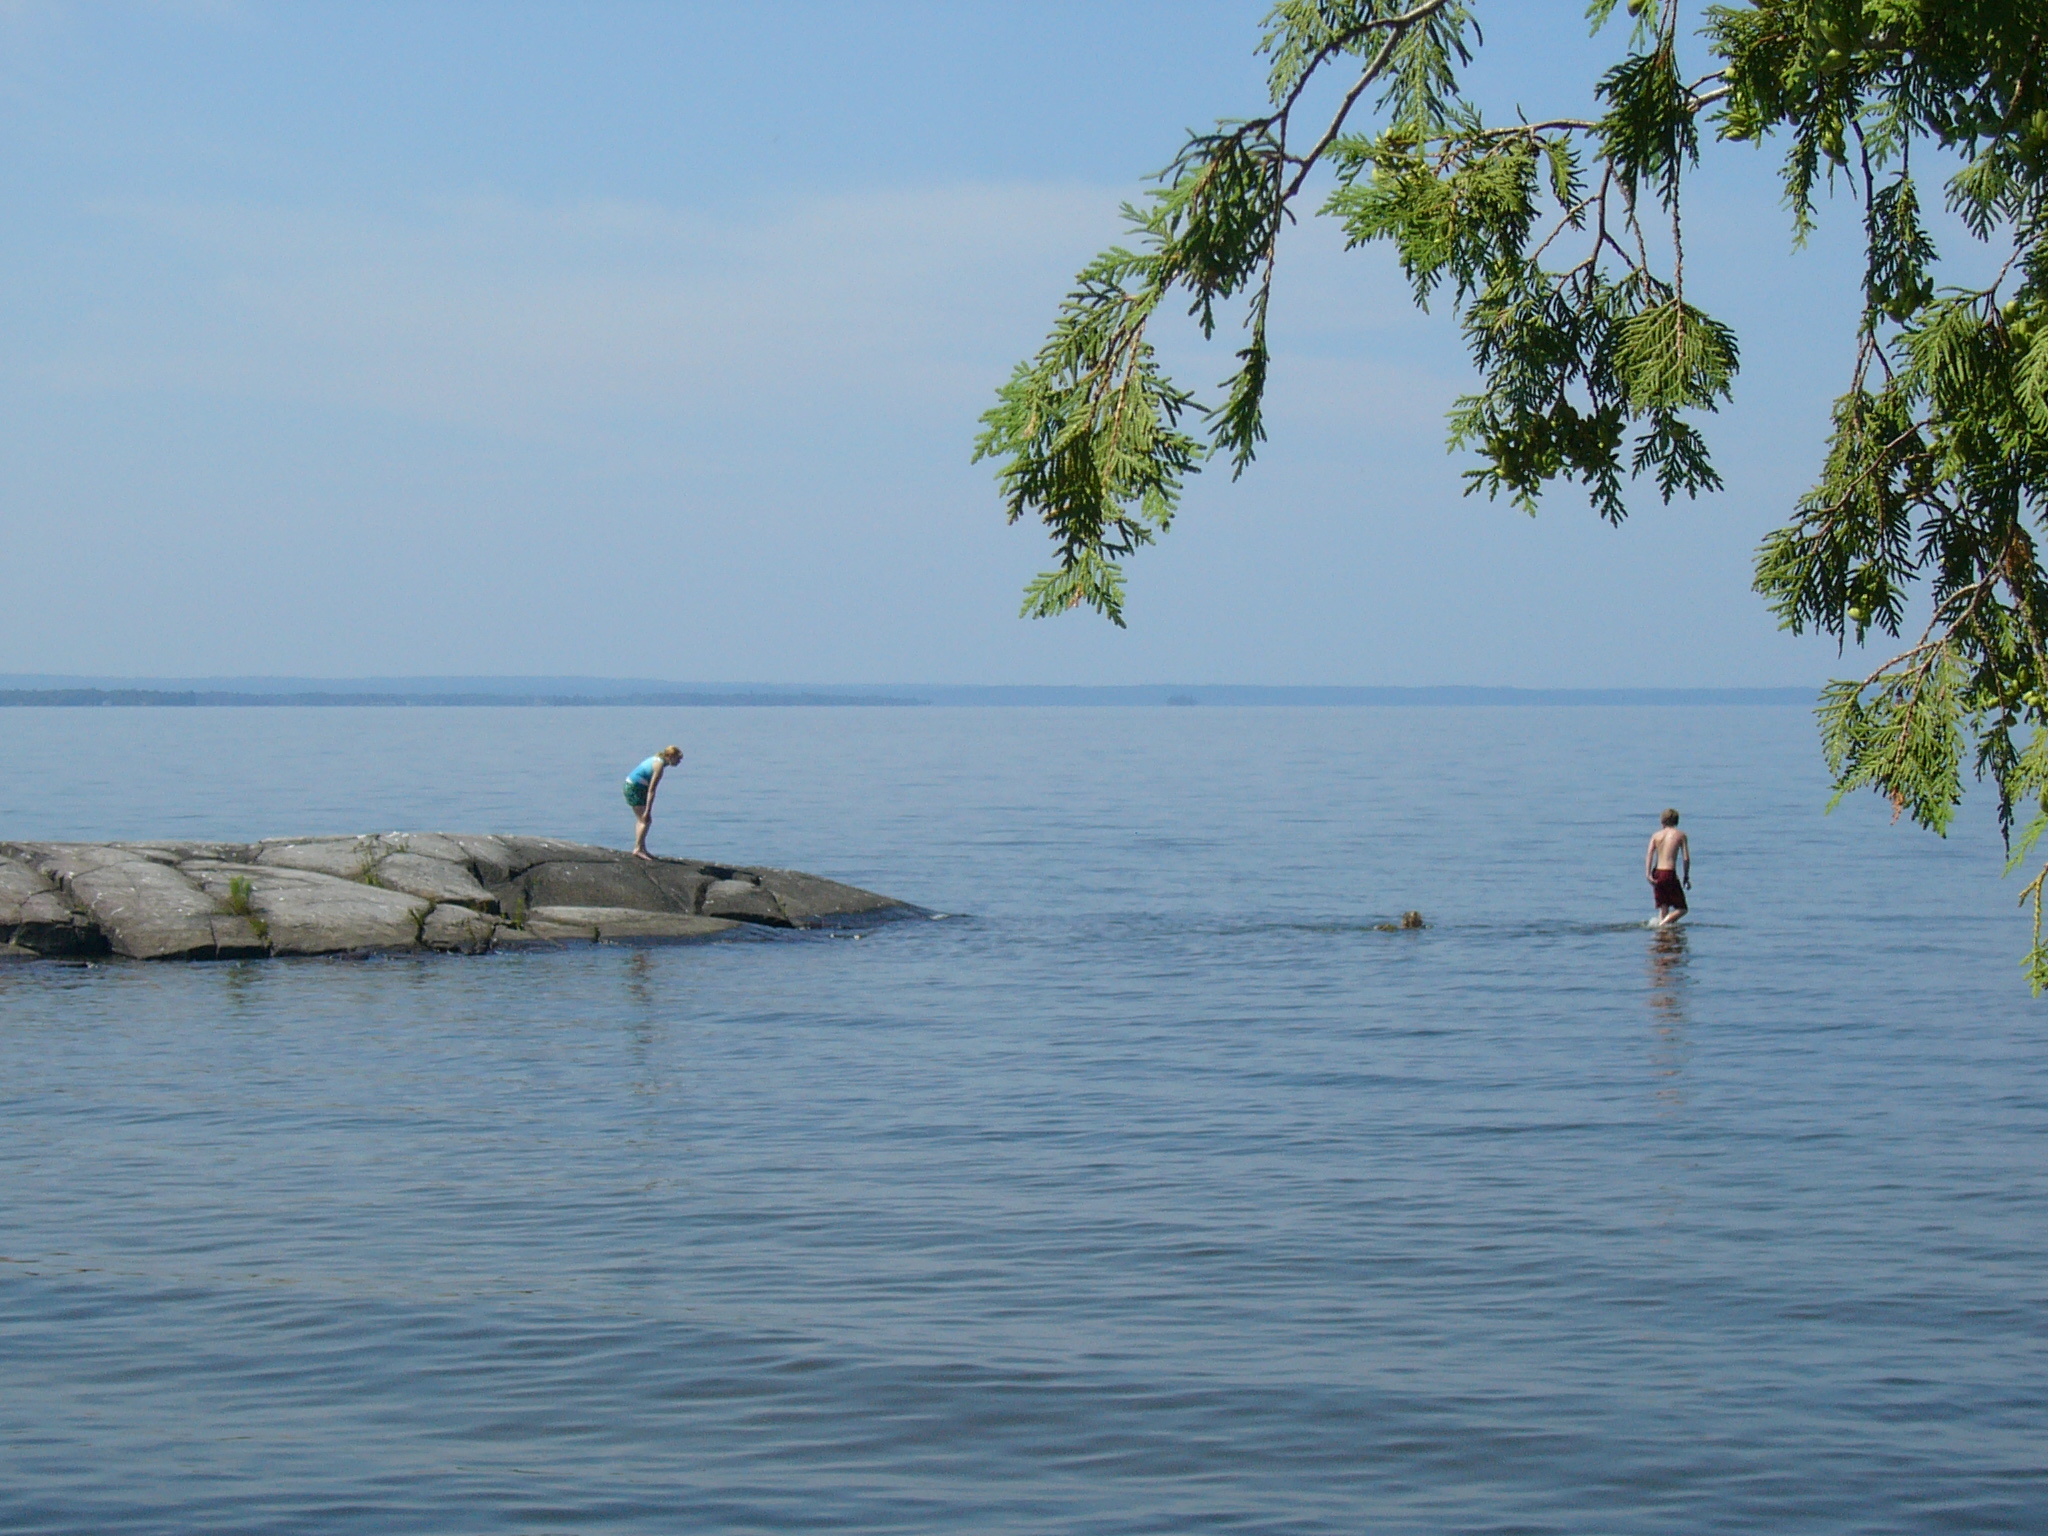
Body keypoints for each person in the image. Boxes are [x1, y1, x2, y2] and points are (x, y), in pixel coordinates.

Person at [624, 745, 684, 860]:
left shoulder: (658, 759)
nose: (679, 762)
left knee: (642, 820)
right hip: (634, 788)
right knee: (645, 819)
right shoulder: (659, 765)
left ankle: (641, 847)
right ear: (670, 756)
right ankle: (637, 849)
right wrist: (648, 810)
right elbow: (652, 790)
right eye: (678, 758)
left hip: (636, 786)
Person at [1645, 807, 1690, 926]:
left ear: (1662, 821)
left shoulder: (1656, 835)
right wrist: (1686, 876)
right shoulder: (1680, 835)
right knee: (1682, 909)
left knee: (1664, 907)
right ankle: (1662, 925)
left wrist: (1648, 873)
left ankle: (1663, 940)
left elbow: (1649, 853)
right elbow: (1686, 858)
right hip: (1669, 873)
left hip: (1657, 872)